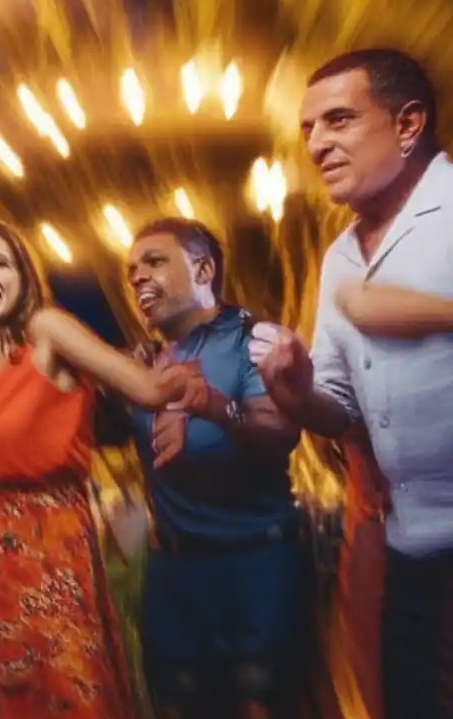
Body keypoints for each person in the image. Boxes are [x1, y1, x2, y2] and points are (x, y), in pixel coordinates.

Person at [254, 48, 453, 718]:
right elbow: (338, 411)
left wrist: (427, 312)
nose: (315, 144)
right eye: (308, 128)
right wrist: (294, 389)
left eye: (338, 120)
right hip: (411, 552)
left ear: (408, 124)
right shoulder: (340, 255)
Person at [0, 221, 191, 719]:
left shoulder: (45, 333)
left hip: (50, 569)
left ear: (23, 278)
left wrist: (197, 387)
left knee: (67, 701)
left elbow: (149, 389)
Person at [124, 219, 306, 718]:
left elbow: (282, 433)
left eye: (155, 261)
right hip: (174, 571)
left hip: (255, 562)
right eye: (132, 270)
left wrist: (212, 404)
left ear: (203, 268)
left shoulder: (255, 337)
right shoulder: (141, 362)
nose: (138, 276)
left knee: (261, 702)